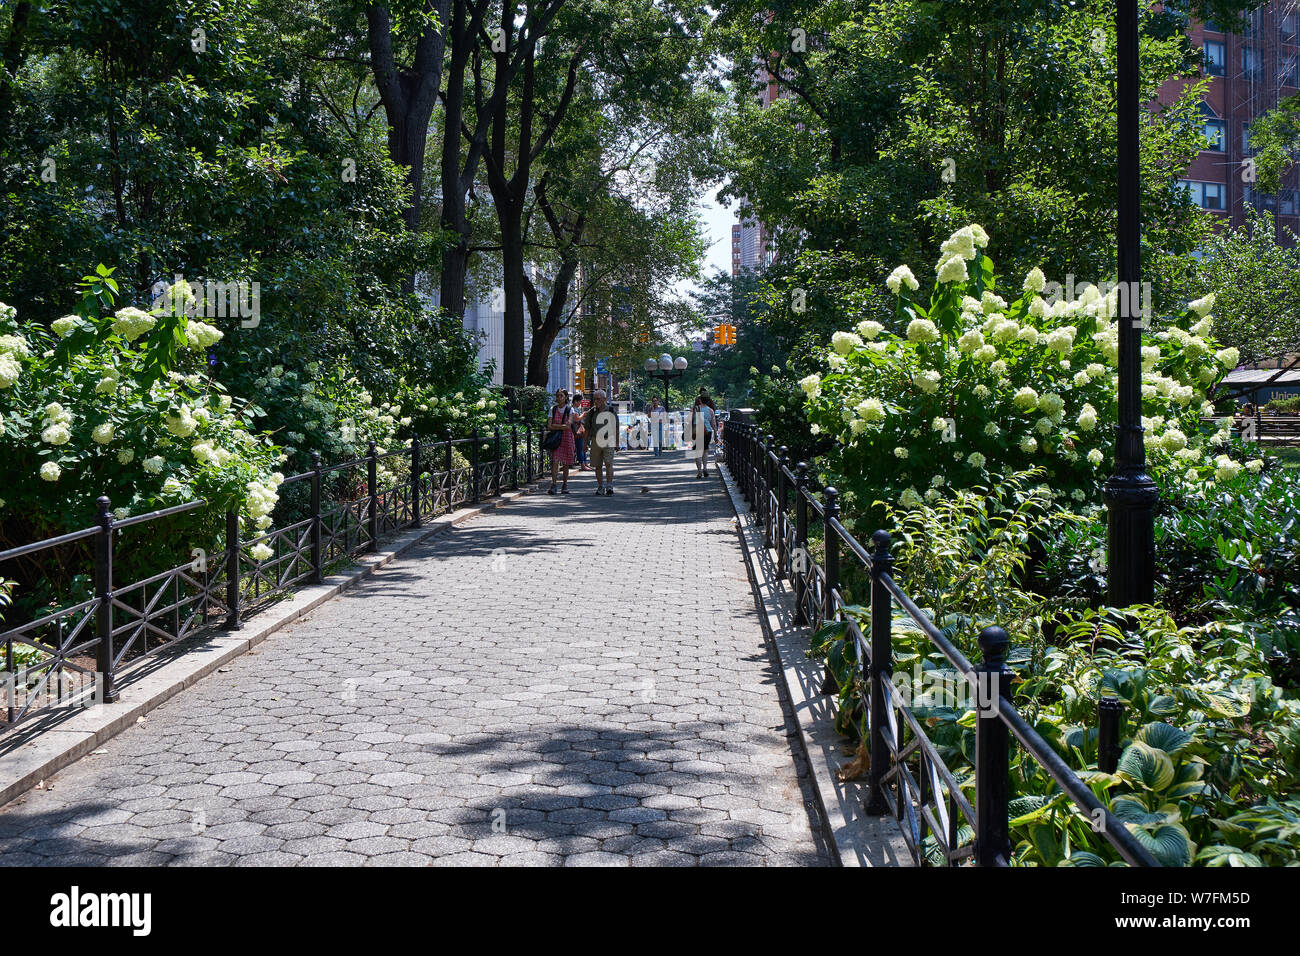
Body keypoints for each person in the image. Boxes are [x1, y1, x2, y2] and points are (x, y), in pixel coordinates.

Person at [582, 389, 619, 495]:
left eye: (598, 399)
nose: (596, 401)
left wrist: (617, 443)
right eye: (595, 399)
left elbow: (616, 427)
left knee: (608, 463)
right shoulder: (591, 412)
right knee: (597, 465)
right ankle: (600, 486)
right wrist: (585, 444)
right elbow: (587, 429)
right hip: (595, 440)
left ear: (604, 399)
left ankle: (609, 486)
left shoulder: (611, 410)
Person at [545, 388, 577, 494]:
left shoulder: (570, 410)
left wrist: (556, 426)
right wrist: (561, 426)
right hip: (556, 439)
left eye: (561, 396)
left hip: (567, 438)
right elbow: (549, 426)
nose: (559, 398)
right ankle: (553, 484)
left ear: (566, 397)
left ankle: (564, 484)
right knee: (555, 461)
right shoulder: (553, 409)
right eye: (557, 395)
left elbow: (568, 426)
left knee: (566, 463)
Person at [691, 390, 717, 478]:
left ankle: (699, 471)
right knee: (705, 451)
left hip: (697, 431)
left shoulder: (696, 409)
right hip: (707, 432)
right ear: (708, 400)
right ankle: (705, 468)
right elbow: (713, 424)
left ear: (700, 400)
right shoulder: (711, 411)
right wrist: (716, 434)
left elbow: (691, 420)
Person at [572, 391, 591, 471]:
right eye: (579, 401)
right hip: (577, 431)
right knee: (580, 447)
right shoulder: (573, 409)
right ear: (576, 401)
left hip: (580, 431)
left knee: (583, 447)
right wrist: (583, 415)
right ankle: (582, 464)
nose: (580, 403)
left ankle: (585, 463)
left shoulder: (577, 409)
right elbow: (577, 419)